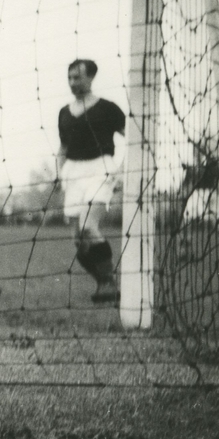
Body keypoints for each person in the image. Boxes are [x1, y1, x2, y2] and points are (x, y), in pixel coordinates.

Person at [55, 59, 127, 304]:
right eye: (70, 78)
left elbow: (133, 137)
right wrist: (59, 174)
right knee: (79, 241)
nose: (73, 82)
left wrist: (123, 168)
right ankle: (104, 284)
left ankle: (109, 282)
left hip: (100, 168)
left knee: (88, 226)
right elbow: (63, 148)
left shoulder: (108, 108)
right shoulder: (64, 112)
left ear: (91, 77)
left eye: (78, 77)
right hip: (74, 173)